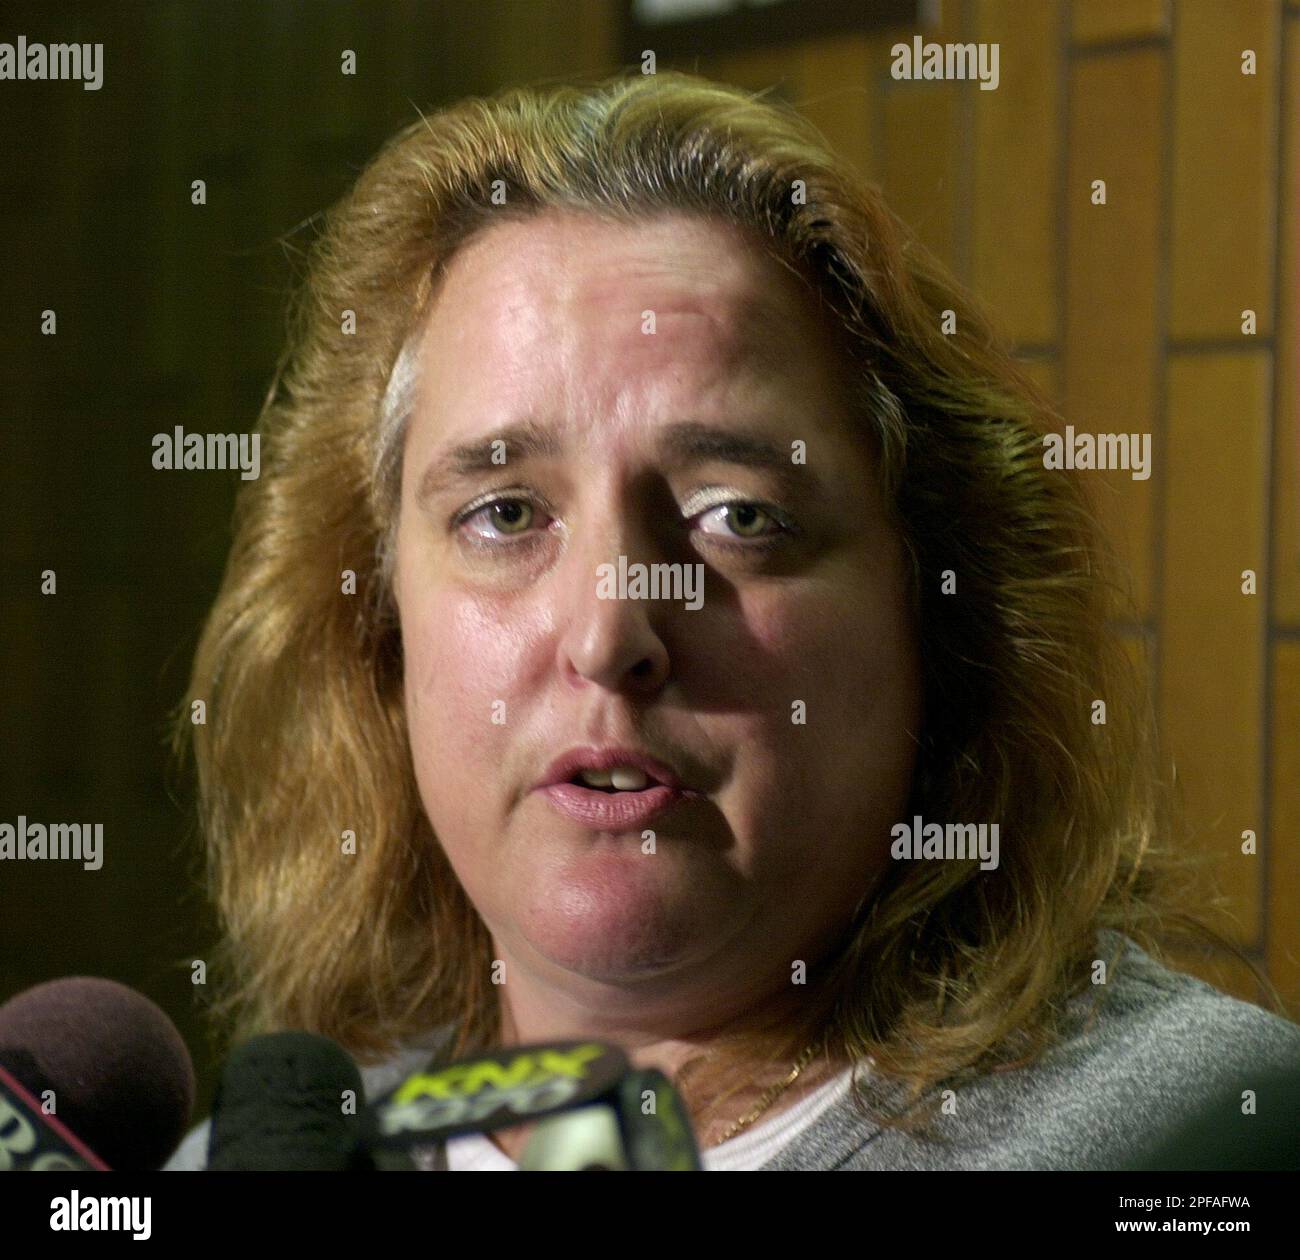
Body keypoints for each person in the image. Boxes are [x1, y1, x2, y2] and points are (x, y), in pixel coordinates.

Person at [164, 71, 1300, 1171]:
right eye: (504, 513)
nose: (612, 633)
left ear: (939, 612)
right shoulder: (262, 1164)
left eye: (738, 515)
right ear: (378, 626)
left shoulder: (1203, 1140)